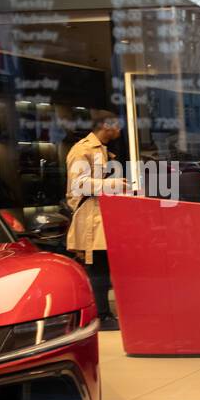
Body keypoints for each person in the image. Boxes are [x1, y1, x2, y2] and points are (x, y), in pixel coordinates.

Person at [65, 111, 127, 330]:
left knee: (104, 266)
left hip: (101, 216)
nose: (120, 129)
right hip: (92, 218)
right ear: (106, 125)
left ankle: (104, 313)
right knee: (98, 267)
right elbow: (78, 184)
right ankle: (100, 315)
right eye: (117, 125)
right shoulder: (82, 149)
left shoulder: (102, 150)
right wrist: (114, 184)